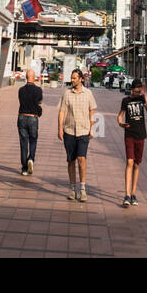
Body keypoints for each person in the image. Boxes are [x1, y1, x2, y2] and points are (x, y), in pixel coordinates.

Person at [57, 68, 96, 202]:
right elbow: (62, 111)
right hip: (69, 131)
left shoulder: (88, 93)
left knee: (81, 159)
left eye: (74, 78)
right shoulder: (67, 94)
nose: (72, 80)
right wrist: (60, 129)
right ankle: (73, 188)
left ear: (81, 79)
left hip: (84, 131)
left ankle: (83, 188)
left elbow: (92, 111)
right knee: (71, 160)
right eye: (71, 78)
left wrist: (92, 128)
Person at [119, 78, 147, 208]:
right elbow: (119, 116)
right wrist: (121, 123)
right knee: (130, 162)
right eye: (136, 90)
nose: (138, 93)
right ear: (132, 89)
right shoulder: (126, 100)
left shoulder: (142, 98)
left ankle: (133, 194)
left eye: (140, 90)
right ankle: (126, 195)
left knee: (137, 164)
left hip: (141, 135)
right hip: (129, 134)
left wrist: (145, 96)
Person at [17, 68, 43, 176]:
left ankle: (24, 168)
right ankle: (31, 158)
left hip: (22, 117)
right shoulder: (38, 90)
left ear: (26, 77)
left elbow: (21, 101)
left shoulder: (21, 90)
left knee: (23, 143)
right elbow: (40, 101)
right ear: (34, 77)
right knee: (33, 140)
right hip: (33, 117)